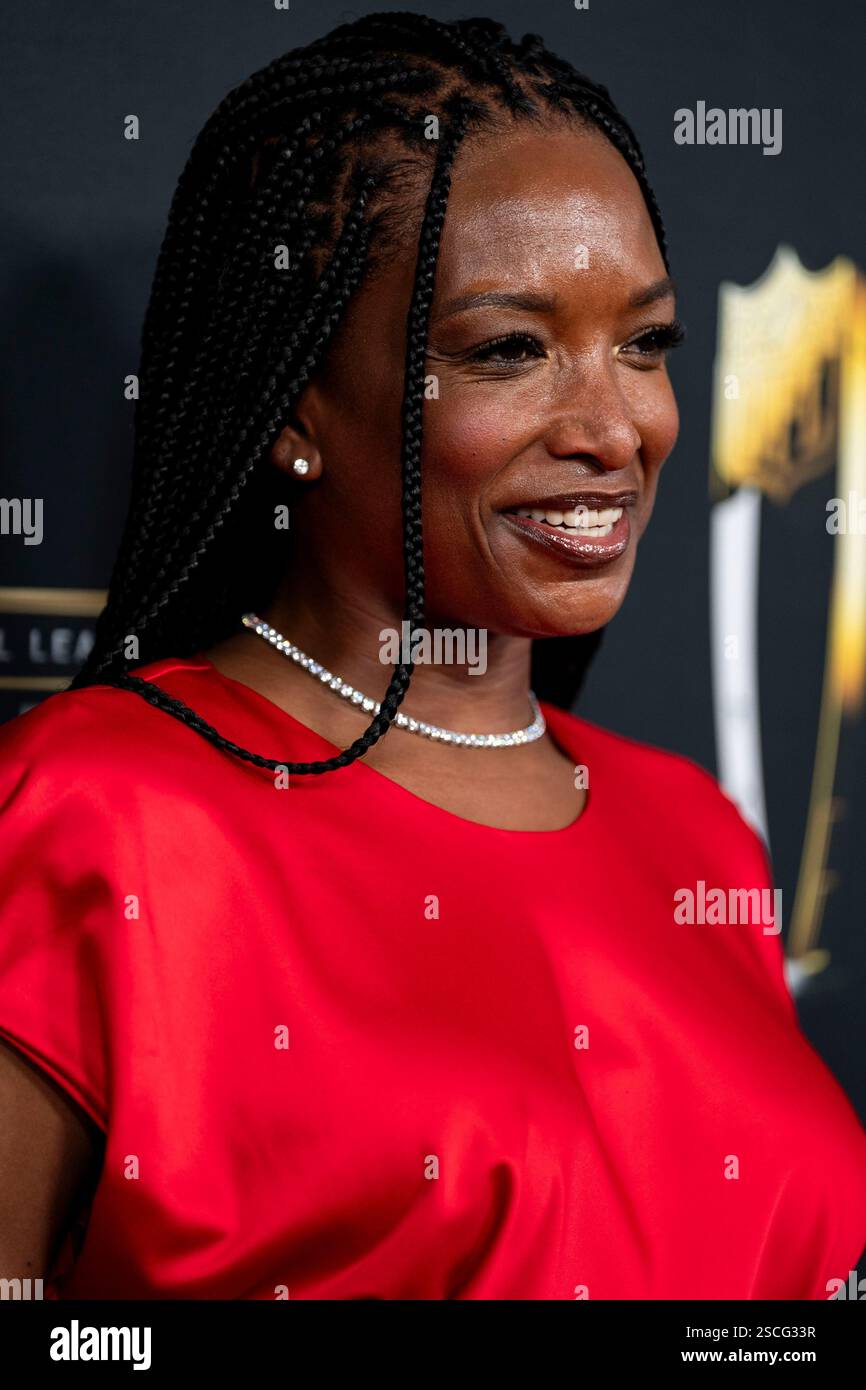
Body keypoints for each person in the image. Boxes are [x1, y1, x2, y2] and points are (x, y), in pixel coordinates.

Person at [1, 11, 864, 1300]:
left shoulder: (699, 839)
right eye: (508, 349)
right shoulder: (96, 817)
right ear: (298, 405)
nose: (613, 426)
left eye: (645, 343)